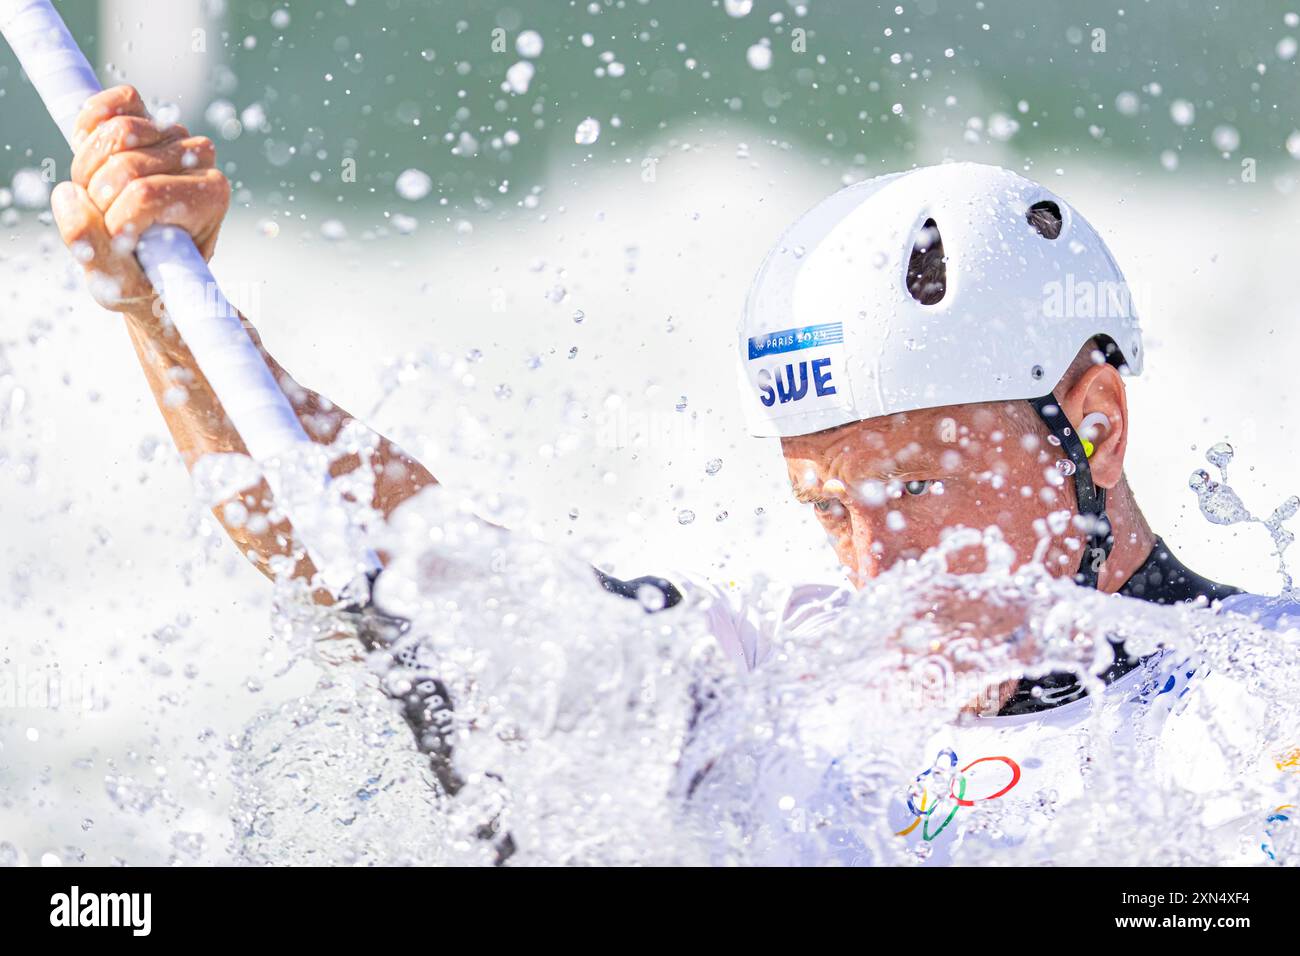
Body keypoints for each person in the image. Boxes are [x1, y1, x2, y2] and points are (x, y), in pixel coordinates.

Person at [52, 86, 1297, 864]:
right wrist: (161, 310)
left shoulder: (1265, 709)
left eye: (916, 488)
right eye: (827, 507)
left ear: (1092, 427)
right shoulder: (764, 671)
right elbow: (382, 552)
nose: (875, 568)